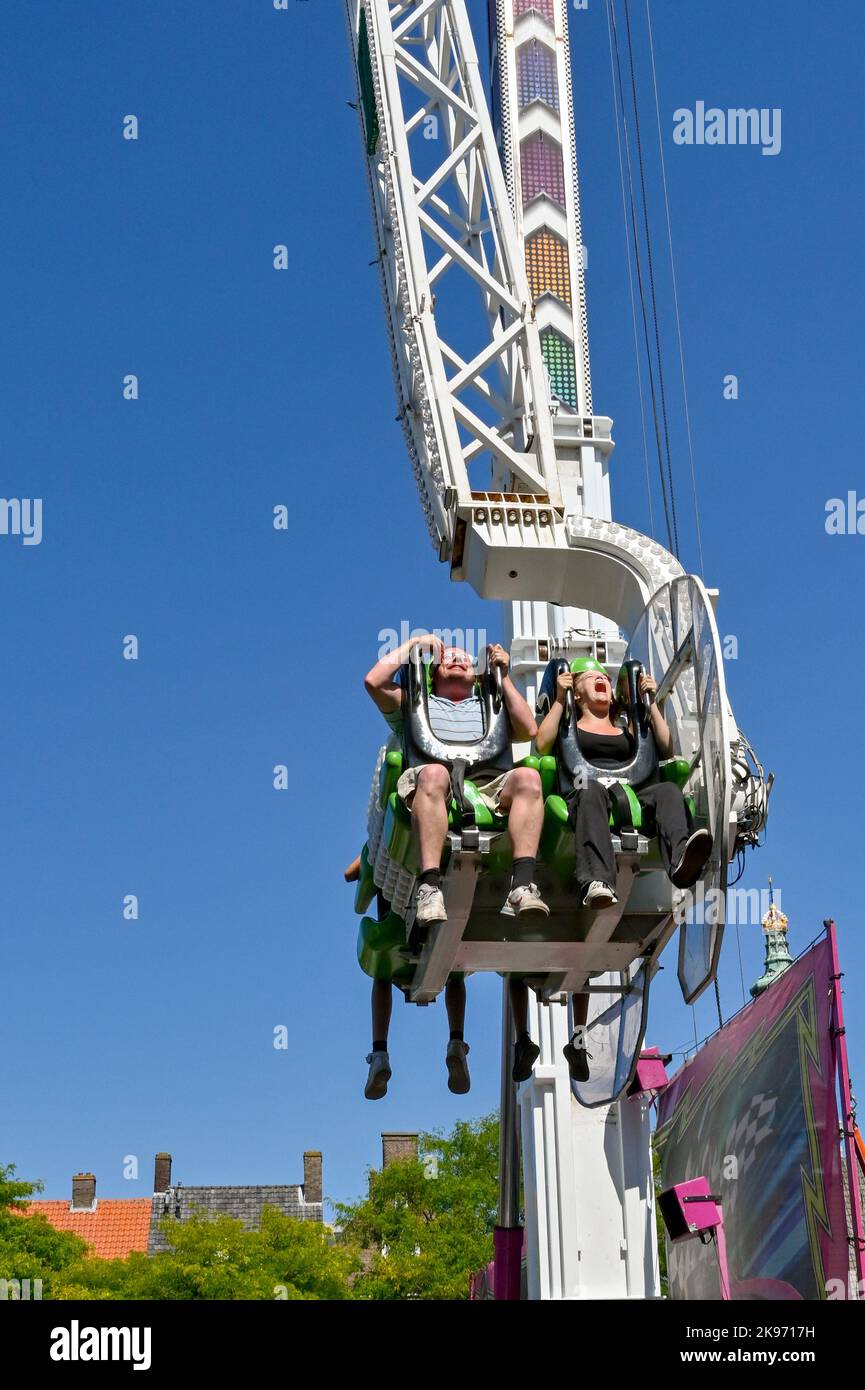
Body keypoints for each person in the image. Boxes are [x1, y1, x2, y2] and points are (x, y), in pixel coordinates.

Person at [361, 632, 549, 1098]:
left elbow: (530, 732)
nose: (460, 659)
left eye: (467, 658)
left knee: (527, 777)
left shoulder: (491, 703)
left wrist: (503, 677)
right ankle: (428, 886)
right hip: (435, 784)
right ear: (433, 671)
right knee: (435, 773)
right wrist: (414, 647)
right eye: (449, 658)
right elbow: (372, 680)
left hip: (485, 783)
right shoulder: (414, 703)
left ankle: (523, 886)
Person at [535, 658, 712, 1081]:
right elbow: (541, 745)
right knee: (591, 792)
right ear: (576, 691)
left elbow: (667, 749)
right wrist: (558, 701)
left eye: (605, 676)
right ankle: (596, 878)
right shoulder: (567, 722)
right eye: (589, 677)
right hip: (587, 791)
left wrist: (650, 703)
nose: (600, 679)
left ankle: (680, 860)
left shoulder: (627, 726)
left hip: (632, 791)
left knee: (668, 790)